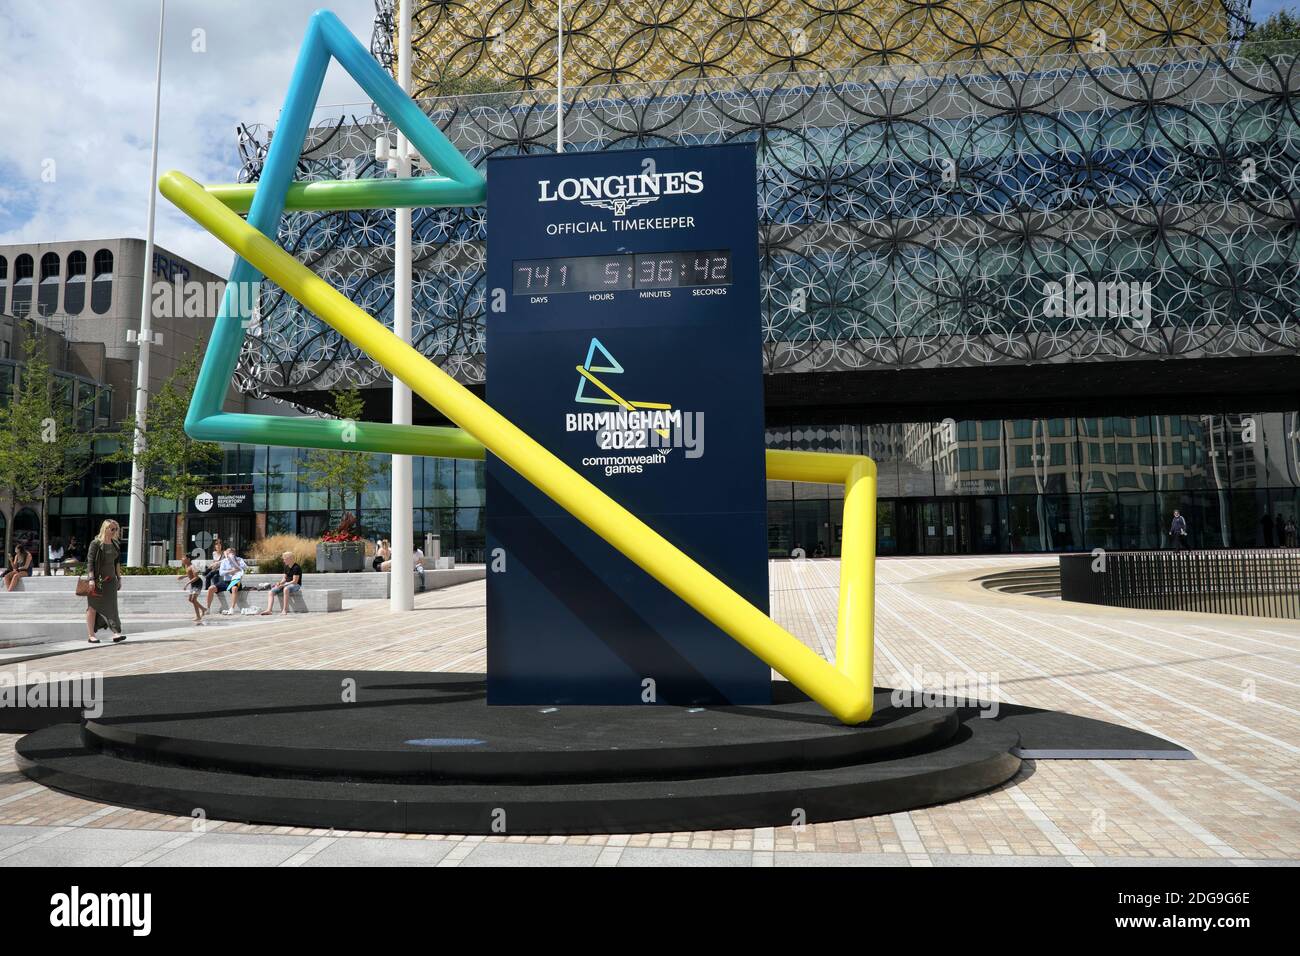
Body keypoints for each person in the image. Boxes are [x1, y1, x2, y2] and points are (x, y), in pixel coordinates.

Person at [85, 519, 125, 643]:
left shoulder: (115, 544)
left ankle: (116, 633)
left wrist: (119, 578)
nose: (114, 531)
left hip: (111, 580)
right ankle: (91, 635)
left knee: (112, 607)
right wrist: (91, 579)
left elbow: (116, 563)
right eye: (112, 529)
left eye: (115, 529)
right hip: (97, 580)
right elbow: (90, 562)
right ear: (105, 529)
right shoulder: (96, 543)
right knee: (92, 607)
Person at [177, 554, 207, 625]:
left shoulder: (193, 566)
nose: (182, 559)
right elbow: (190, 574)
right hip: (193, 583)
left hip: (198, 583)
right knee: (190, 599)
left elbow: (196, 577)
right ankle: (202, 610)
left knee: (193, 599)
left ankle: (199, 614)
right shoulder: (186, 566)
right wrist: (183, 577)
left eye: (183, 558)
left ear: (188, 559)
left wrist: (187, 583)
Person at [218, 548, 248, 615]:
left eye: (231, 552)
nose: (230, 554)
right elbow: (221, 573)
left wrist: (236, 563)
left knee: (234, 588)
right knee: (211, 588)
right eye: (228, 552)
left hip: (236, 580)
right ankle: (207, 609)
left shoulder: (239, 559)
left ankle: (232, 608)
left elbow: (245, 567)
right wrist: (230, 571)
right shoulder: (224, 561)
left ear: (234, 553)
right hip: (226, 581)